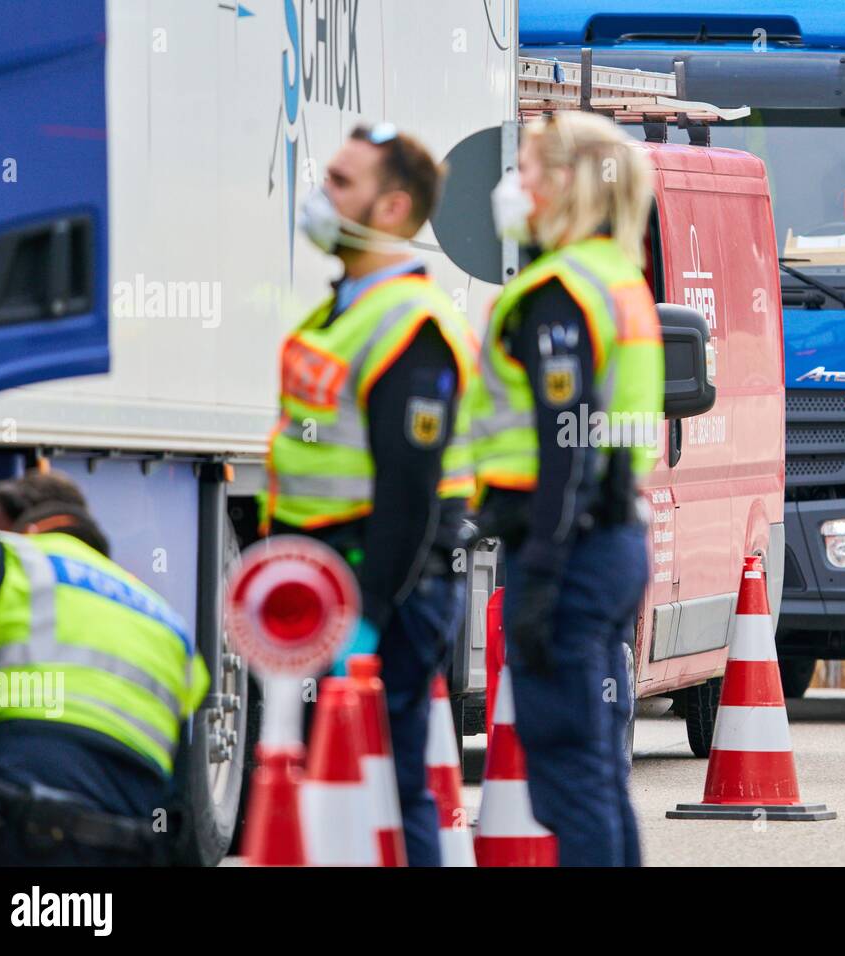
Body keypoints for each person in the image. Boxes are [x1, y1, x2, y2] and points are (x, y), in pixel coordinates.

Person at [258, 124, 477, 867]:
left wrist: (366, 620)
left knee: (390, 780)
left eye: (341, 183)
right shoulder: (346, 309)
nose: (323, 196)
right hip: (336, 575)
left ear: (392, 208)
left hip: (385, 586)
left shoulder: (411, 326)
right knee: (340, 784)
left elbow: (410, 492)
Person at [470, 111, 662, 866]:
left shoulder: (562, 291)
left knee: (571, 780)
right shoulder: (618, 278)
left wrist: (542, 567)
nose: (513, 187)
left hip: (568, 546)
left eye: (523, 171)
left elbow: (564, 442)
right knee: (595, 774)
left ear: (563, 183)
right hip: (609, 540)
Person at [0, 472, 209, 864]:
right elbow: (179, 796)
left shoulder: (6, 559)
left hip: (7, 819)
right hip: (127, 842)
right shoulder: (168, 625)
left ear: (13, 524)